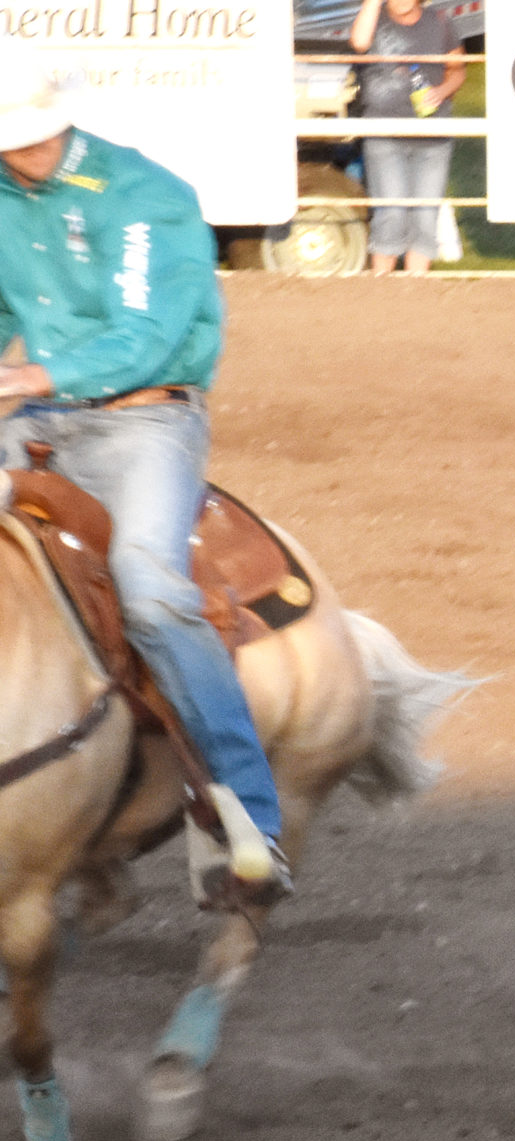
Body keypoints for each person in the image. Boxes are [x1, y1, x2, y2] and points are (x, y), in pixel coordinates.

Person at [0, 54, 289, 899]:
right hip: (36, 415)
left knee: (150, 589)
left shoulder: (143, 197)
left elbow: (149, 335)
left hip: (145, 417)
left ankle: (245, 811)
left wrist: (28, 379)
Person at [352, 0, 464, 275]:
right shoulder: (372, 21)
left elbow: (458, 70)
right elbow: (358, 43)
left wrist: (441, 91)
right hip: (384, 134)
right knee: (391, 214)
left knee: (425, 217)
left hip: (432, 137)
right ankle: (382, 286)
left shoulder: (440, 23)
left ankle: (416, 291)